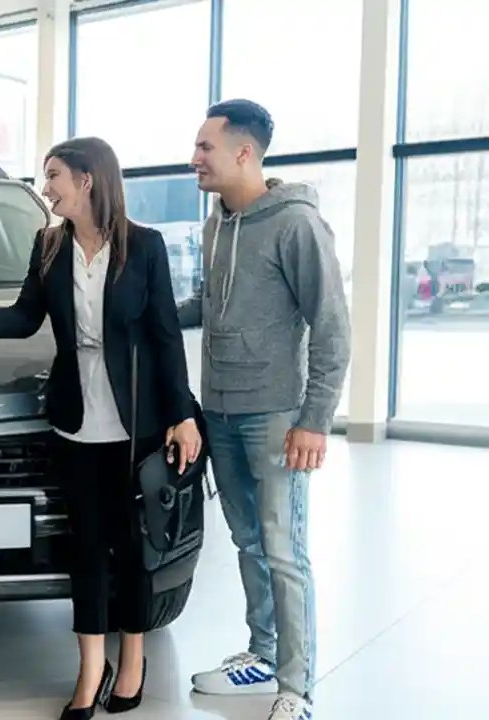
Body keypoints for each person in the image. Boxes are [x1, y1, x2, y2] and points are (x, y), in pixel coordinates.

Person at [0, 137, 201, 720]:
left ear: (88, 180)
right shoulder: (48, 245)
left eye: (53, 177)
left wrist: (181, 414)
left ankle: (132, 661)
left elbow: (165, 335)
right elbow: (26, 316)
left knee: (133, 548)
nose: (46, 187)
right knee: (86, 549)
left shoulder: (144, 246)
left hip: (137, 422)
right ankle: (90, 669)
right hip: (75, 419)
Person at [180, 99, 350, 720]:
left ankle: (296, 688)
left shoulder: (297, 224)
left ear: (243, 153)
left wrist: (315, 418)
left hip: (277, 414)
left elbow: (332, 326)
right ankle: (261, 653)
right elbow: (212, 300)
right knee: (248, 540)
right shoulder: (215, 221)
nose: (194, 158)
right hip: (220, 410)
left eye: (205, 148)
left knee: (284, 548)